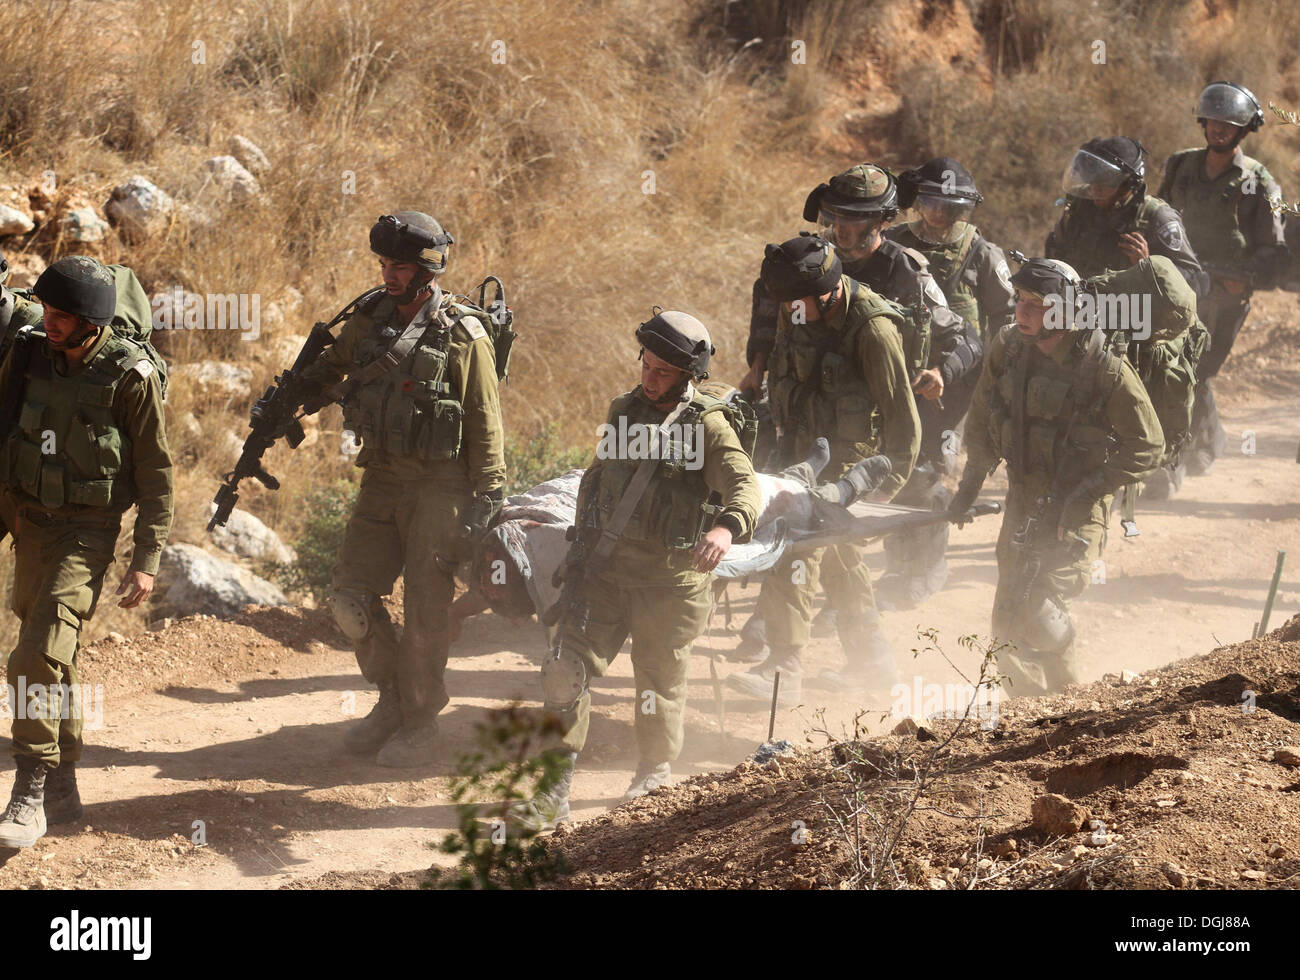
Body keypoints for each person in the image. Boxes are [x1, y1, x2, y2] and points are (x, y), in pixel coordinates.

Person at [508, 311, 760, 832]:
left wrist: (726, 528)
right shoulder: (623, 410)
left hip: (670, 581)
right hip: (604, 572)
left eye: (665, 371)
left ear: (690, 376)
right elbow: (596, 482)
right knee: (564, 669)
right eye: (648, 364)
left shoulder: (706, 426)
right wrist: (579, 549)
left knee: (657, 678)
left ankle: (654, 770)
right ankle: (552, 787)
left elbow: (744, 484)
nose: (651, 377)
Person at [295, 211, 505, 767]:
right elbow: (328, 367)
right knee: (350, 598)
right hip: (382, 478)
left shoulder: (463, 333)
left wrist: (488, 499)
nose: (389, 274)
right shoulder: (369, 319)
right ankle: (392, 700)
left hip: (442, 488)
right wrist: (290, 399)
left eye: (401, 266)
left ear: (428, 269)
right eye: (384, 263)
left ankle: (421, 718)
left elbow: (485, 420)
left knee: (426, 610)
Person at [0, 256, 173, 848]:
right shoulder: (28, 354)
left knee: (32, 655)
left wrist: (146, 560)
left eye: (62, 315)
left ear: (92, 324)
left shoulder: (131, 377)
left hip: (89, 531)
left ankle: (29, 787)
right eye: (47, 309)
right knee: (52, 652)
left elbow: (156, 475)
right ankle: (64, 786)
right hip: (31, 522)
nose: (49, 321)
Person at [948, 256, 1162, 695]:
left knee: (1040, 609)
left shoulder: (1103, 368)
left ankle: (1069, 702)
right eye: (1019, 300)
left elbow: (1149, 444)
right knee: (1005, 622)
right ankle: (1030, 713)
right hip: (1022, 500)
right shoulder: (1007, 348)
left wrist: (1088, 491)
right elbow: (983, 416)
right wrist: (968, 487)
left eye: (1036, 304)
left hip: (1076, 510)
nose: (1021, 312)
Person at [727, 235, 920, 704]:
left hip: (852, 462)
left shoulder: (873, 331)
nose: (788, 311)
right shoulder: (797, 304)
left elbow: (904, 425)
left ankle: (783, 669)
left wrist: (882, 495)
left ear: (829, 293)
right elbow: (781, 359)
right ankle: (873, 664)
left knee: (797, 547)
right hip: (802, 451)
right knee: (841, 563)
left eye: (796, 303)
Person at [1157, 82, 1289, 476]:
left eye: (1228, 124)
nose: (1219, 129)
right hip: (1180, 283)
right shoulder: (1181, 165)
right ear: (1203, 122)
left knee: (1201, 370)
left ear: (1244, 129)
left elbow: (1272, 248)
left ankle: (1208, 442)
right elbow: (1159, 215)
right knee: (1179, 365)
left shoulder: (1257, 180)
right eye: (1213, 121)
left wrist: (1247, 278)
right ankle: (1200, 446)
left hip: (1227, 293)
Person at [888, 157, 1016, 345]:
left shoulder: (982, 253)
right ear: (919, 203)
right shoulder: (894, 241)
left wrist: (994, 365)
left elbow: (1005, 316)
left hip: (959, 362)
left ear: (959, 209)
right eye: (932, 203)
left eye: (947, 205)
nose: (939, 211)